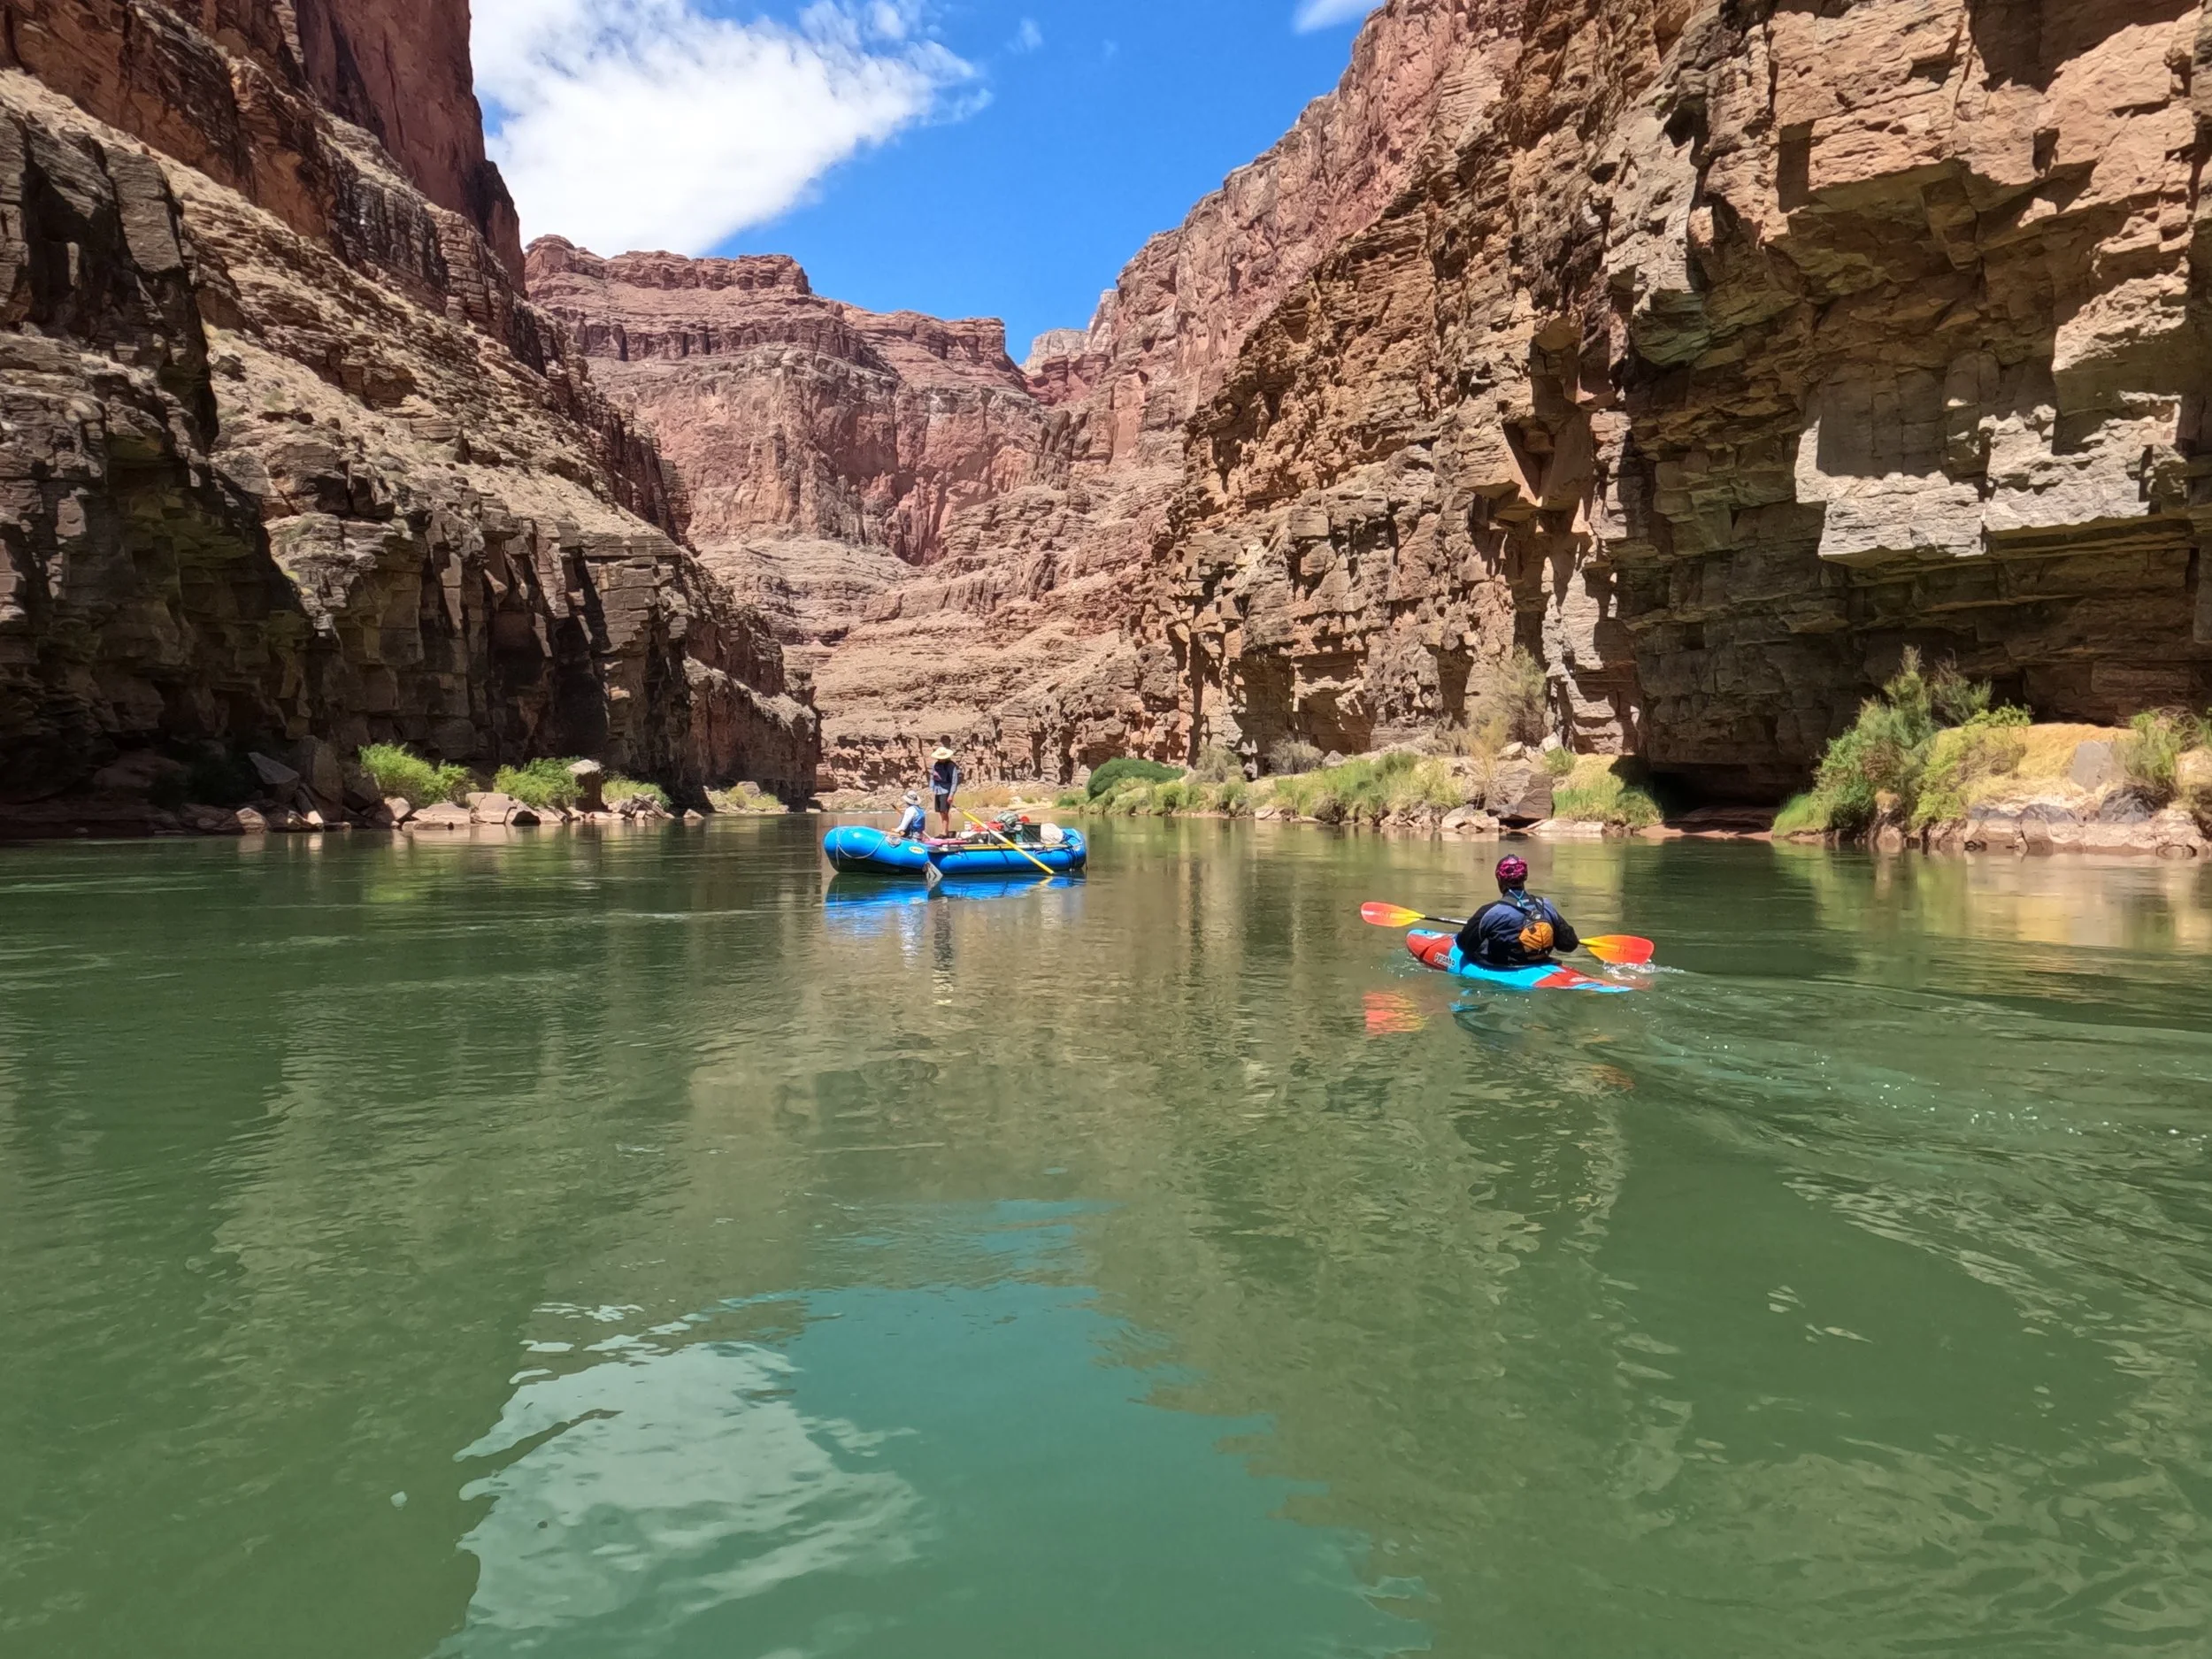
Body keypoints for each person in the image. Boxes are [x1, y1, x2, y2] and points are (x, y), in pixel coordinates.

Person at [1457, 855, 1579, 969]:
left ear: (1499, 879)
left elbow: (1464, 945)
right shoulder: (1545, 905)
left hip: (1507, 969)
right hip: (1543, 964)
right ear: (1525, 877)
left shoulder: (1491, 913)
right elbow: (1570, 944)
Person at [929, 746, 961, 837]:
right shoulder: (936, 765)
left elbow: (954, 781)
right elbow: (932, 777)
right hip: (937, 790)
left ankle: (945, 832)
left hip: (946, 791)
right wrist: (932, 790)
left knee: (945, 812)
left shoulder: (951, 766)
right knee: (940, 812)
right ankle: (943, 830)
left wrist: (951, 795)